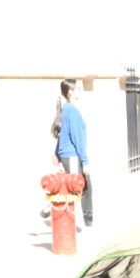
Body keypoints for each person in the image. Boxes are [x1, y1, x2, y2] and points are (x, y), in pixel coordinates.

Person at [52, 78, 92, 228]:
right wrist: (85, 162)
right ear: (70, 92)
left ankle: (56, 210)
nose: (80, 91)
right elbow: (77, 139)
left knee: (75, 186)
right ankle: (88, 223)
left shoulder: (67, 109)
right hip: (73, 156)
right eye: (78, 89)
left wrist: (57, 153)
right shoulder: (73, 112)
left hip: (67, 155)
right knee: (84, 188)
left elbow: (63, 134)